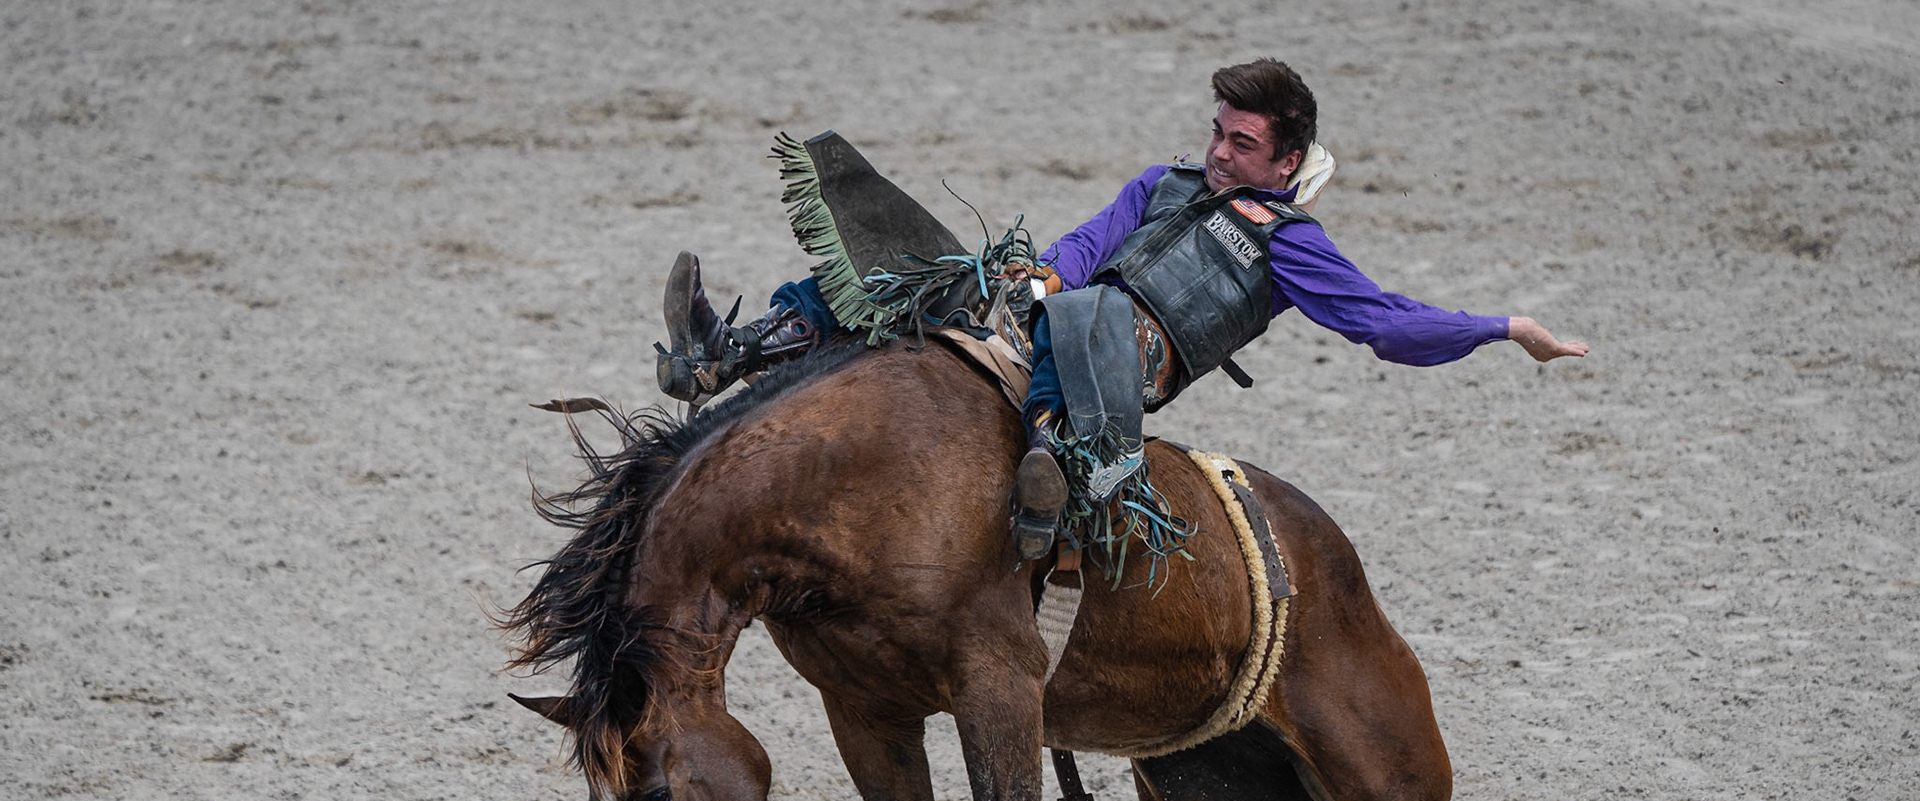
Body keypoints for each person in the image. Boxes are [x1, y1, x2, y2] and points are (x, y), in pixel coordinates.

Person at [657, 58, 1588, 559]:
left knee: (1090, 320)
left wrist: (1505, 330)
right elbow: (1085, 246)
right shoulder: (1163, 182)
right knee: (929, 267)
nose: (1221, 153)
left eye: (1243, 142)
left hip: (1124, 364)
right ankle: (731, 351)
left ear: (1288, 160)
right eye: (1217, 133)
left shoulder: (1292, 246)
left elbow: (1384, 324)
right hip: (1064, 314)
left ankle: (1055, 464)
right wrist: (1036, 275)